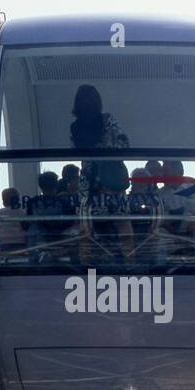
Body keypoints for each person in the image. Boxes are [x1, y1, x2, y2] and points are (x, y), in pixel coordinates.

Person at [70, 84, 130, 265]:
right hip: (111, 179)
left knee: (86, 227)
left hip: (89, 182)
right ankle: (131, 264)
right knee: (123, 224)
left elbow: (76, 151)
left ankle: (86, 267)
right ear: (98, 102)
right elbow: (124, 144)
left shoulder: (75, 127)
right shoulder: (108, 120)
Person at [0, 187, 28, 261]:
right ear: (17, 199)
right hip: (20, 245)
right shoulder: (22, 213)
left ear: (3, 200)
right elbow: (26, 228)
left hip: (3, 245)